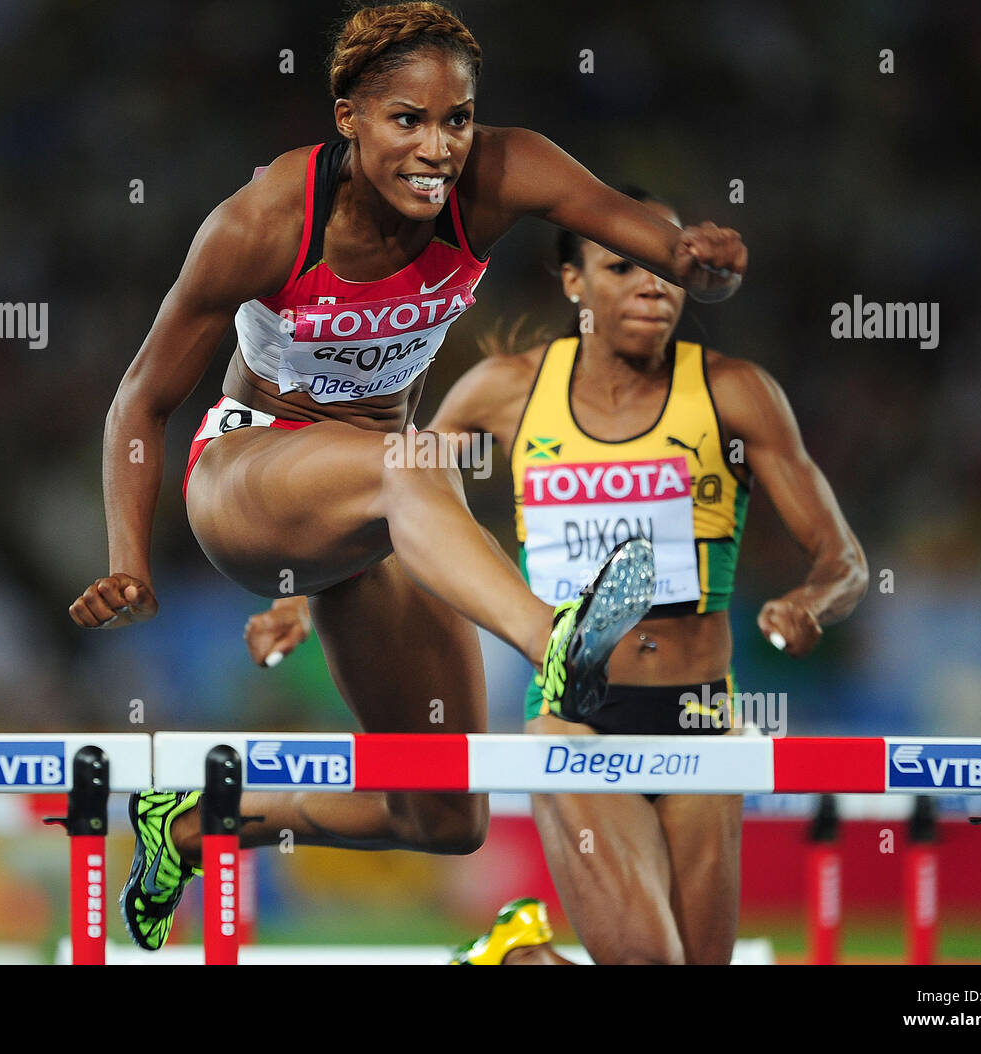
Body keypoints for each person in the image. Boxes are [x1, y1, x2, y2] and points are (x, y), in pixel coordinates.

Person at [68, 1, 747, 951]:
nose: (438, 149)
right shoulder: (263, 222)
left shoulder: (508, 172)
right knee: (414, 460)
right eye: (408, 121)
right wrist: (129, 561)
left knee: (445, 816)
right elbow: (138, 402)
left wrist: (702, 267)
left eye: (457, 120)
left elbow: (659, 248)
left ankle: (187, 822)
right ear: (347, 115)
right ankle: (553, 644)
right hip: (248, 475)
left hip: (378, 511)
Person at [248, 190, 866, 964]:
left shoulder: (735, 392)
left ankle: (520, 958)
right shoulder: (506, 392)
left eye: (667, 271)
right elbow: (384, 502)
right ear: (573, 283)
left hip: (704, 718)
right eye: (623, 267)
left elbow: (842, 559)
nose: (652, 287)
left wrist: (813, 601)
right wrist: (297, 595)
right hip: (576, 723)